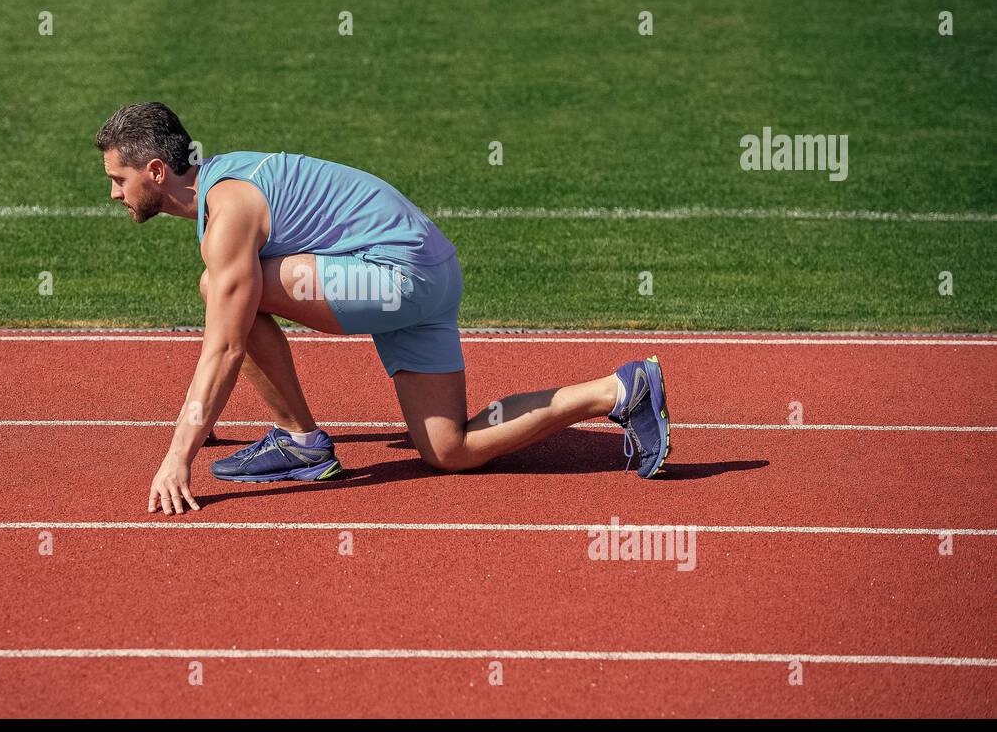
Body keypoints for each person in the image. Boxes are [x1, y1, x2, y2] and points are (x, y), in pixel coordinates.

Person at [95, 102, 671, 515]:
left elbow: (225, 346)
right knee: (449, 449)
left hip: (401, 278)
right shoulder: (227, 178)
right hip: (429, 272)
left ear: (156, 172)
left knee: (222, 293)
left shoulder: (228, 215)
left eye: (118, 180)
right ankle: (620, 391)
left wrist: (179, 456)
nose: (115, 194)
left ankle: (299, 439)